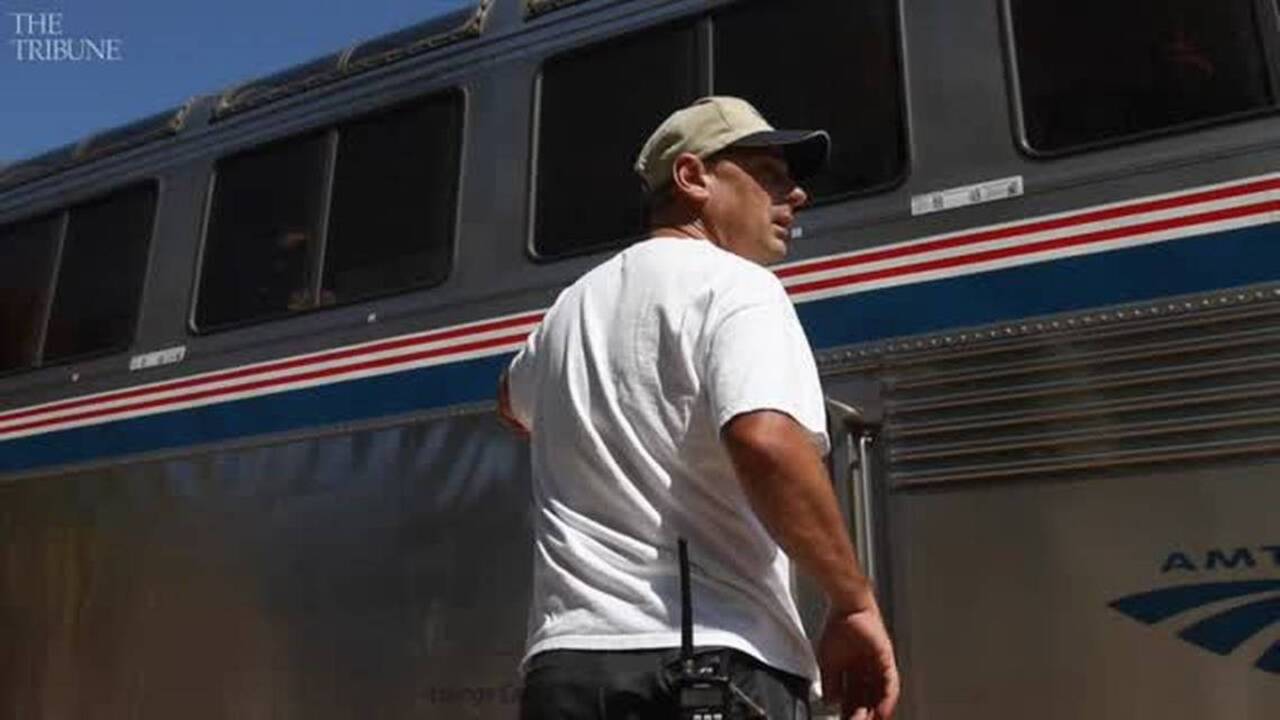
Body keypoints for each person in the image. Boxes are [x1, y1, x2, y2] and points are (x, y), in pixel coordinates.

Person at [499, 96, 899, 719]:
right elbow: (763, 440)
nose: (796, 196)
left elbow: (511, 403)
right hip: (707, 664)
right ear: (693, 178)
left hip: (566, 674)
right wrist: (853, 602)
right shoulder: (738, 285)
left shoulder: (567, 311)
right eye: (770, 176)